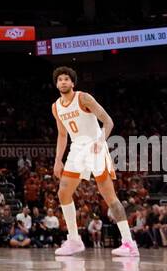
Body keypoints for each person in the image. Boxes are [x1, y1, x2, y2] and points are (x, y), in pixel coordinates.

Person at [50, 67, 138, 259]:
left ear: (73, 83)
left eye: (66, 79)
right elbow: (62, 134)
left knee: (109, 196)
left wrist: (101, 141)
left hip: (95, 146)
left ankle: (129, 243)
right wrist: (58, 159)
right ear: (56, 84)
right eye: (60, 80)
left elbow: (108, 122)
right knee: (63, 192)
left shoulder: (84, 98)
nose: (63, 82)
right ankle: (74, 240)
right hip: (76, 149)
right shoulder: (56, 106)